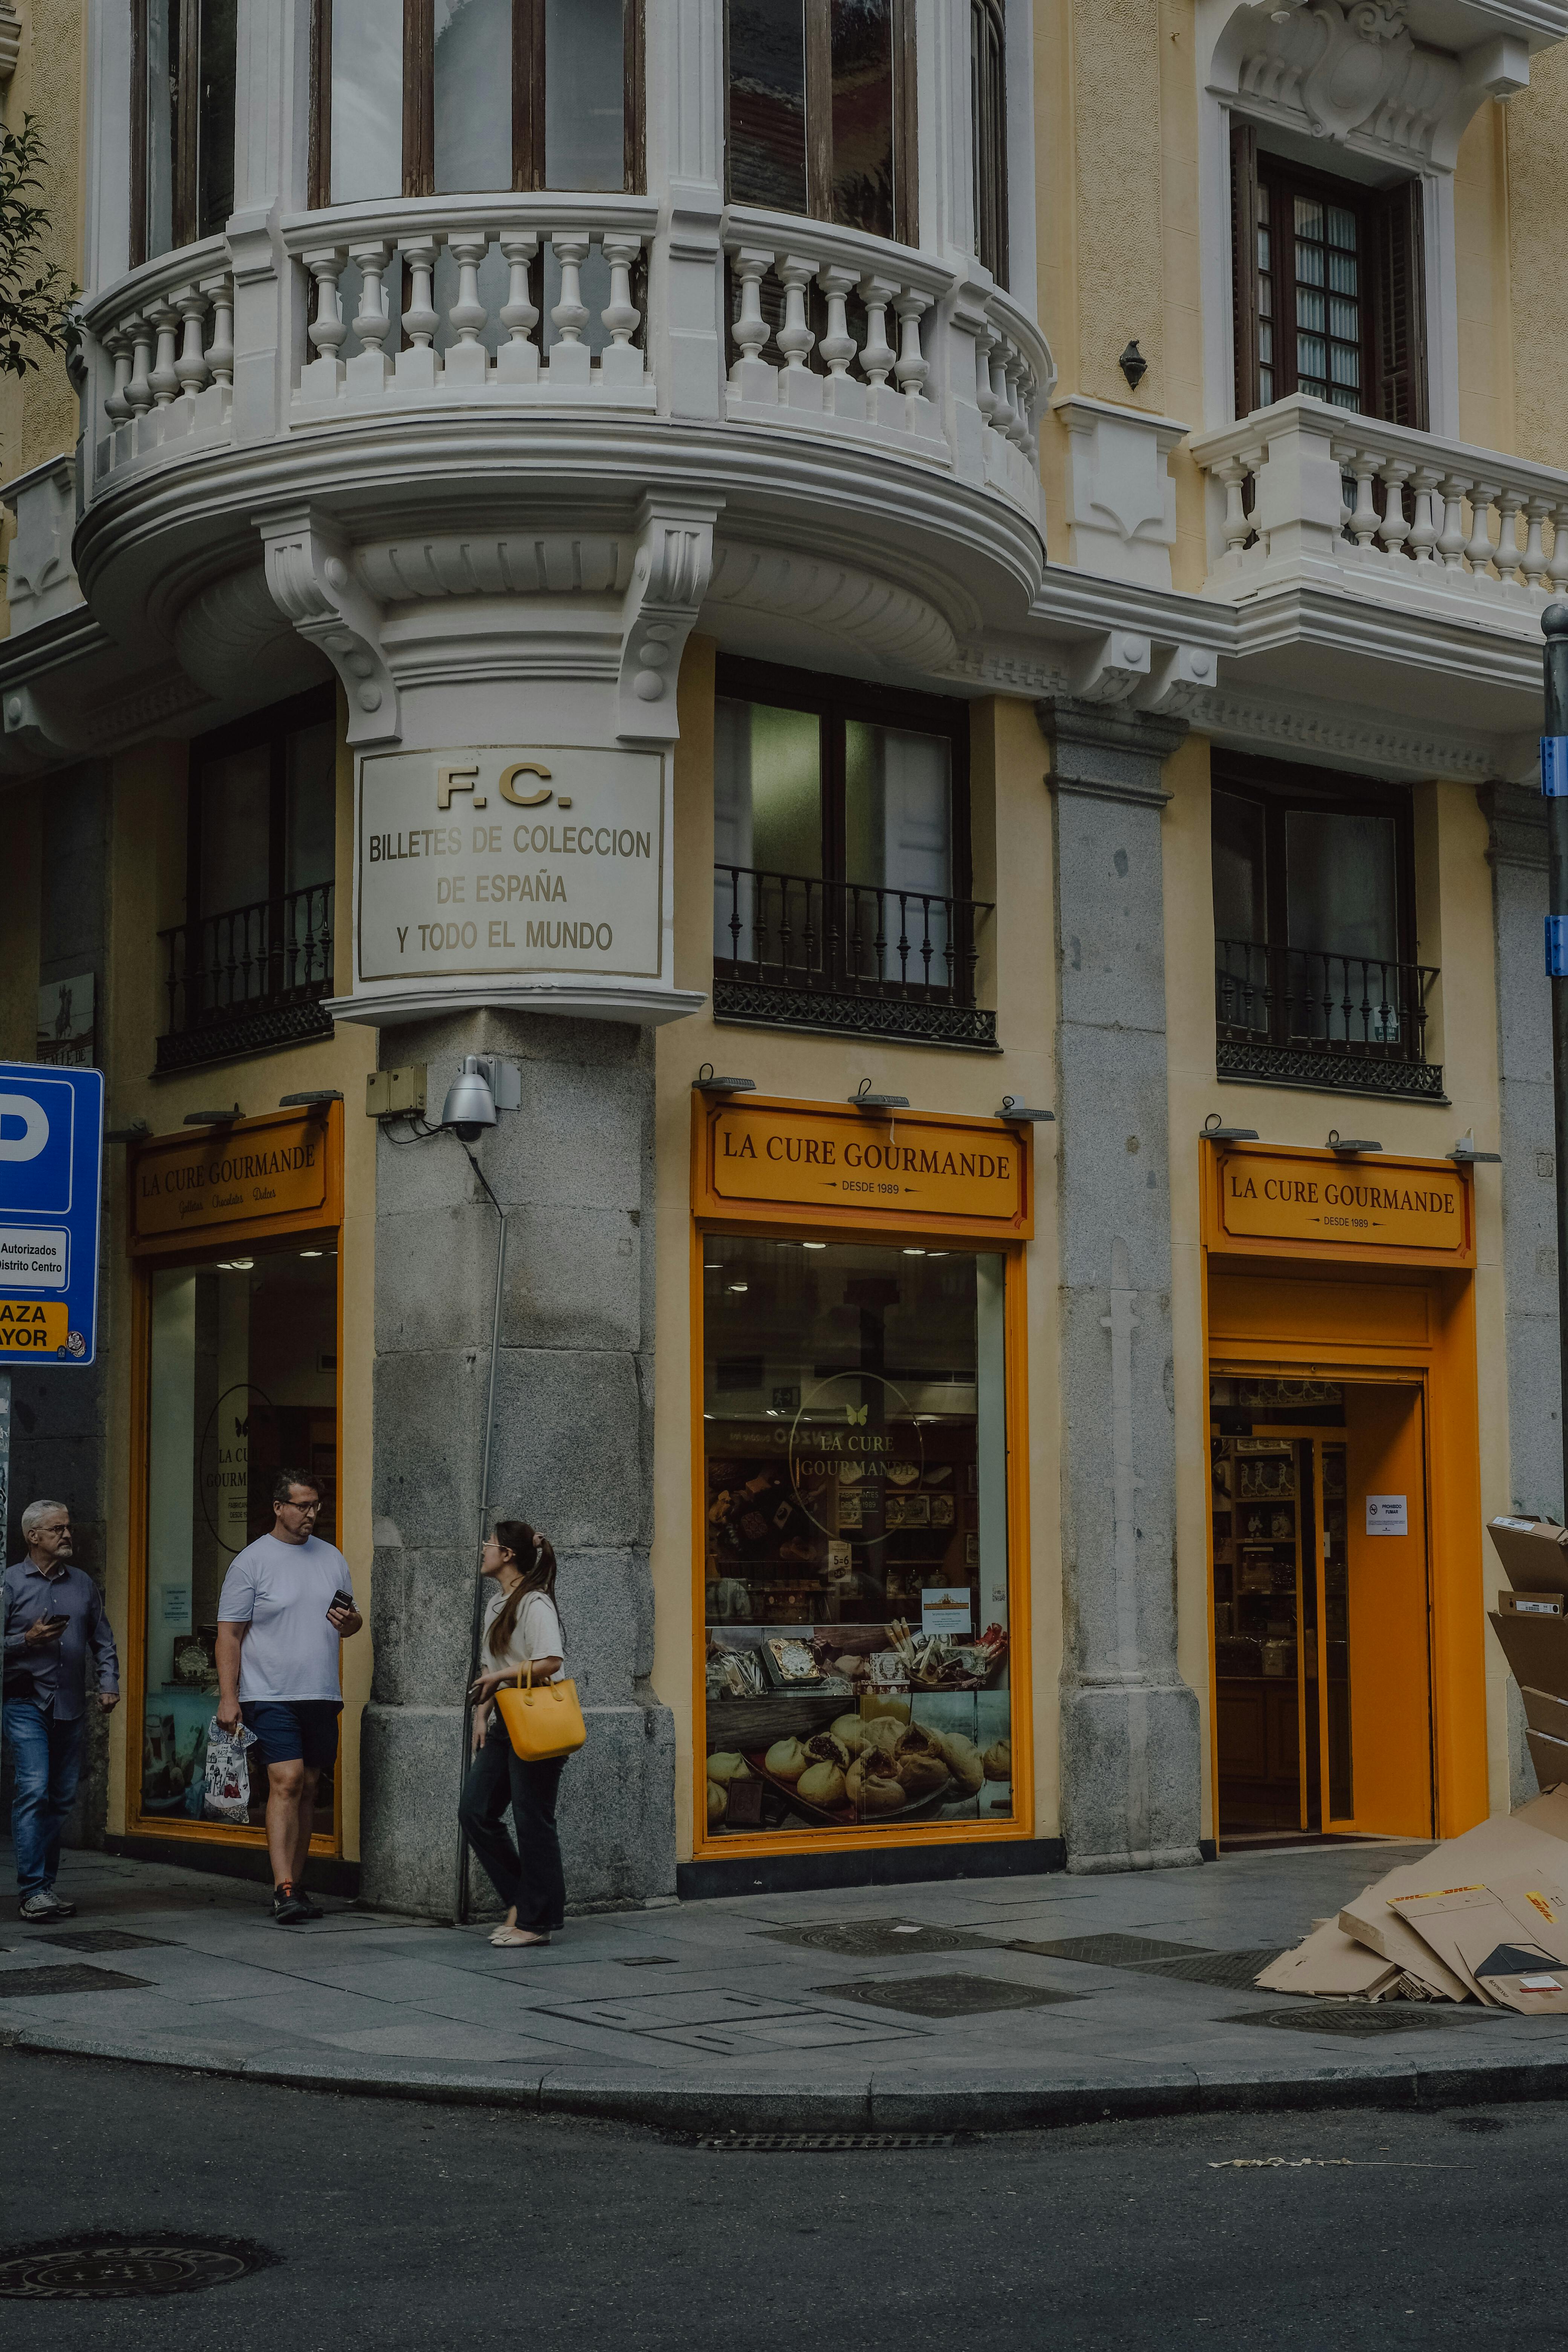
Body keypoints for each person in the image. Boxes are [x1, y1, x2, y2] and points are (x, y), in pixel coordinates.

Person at [215, 1469, 362, 1925]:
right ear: (279, 1507)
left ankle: (296, 1888)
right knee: (287, 1780)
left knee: (310, 1787)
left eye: (316, 1506)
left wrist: (351, 1625)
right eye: (302, 1506)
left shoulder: (332, 1558)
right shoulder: (251, 1562)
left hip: (319, 1692)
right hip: (268, 1692)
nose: (311, 1514)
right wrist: (229, 1697)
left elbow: (351, 1621)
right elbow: (230, 1636)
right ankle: (282, 1888)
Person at [2, 1500, 119, 1922]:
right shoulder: (9, 1584)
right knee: (34, 1789)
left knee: (61, 1796)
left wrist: (108, 1684)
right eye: (57, 1530)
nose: (68, 1535)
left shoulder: (83, 1584)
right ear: (33, 1537)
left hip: (70, 1704)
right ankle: (33, 1889)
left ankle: (44, 1889)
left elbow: (103, 1640)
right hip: (25, 1701)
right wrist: (25, 1641)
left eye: (68, 1528)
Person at [458, 1520, 568, 1949]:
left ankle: (535, 1920)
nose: (483, 1549)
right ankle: (525, 1902)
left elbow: (550, 1661)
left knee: (532, 1819)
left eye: (489, 1543)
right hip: (507, 1719)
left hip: (540, 1717)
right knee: (475, 1812)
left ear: (507, 1555)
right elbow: (490, 1671)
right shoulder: (495, 1606)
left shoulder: (535, 1604)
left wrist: (502, 1677)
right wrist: (481, 1717)